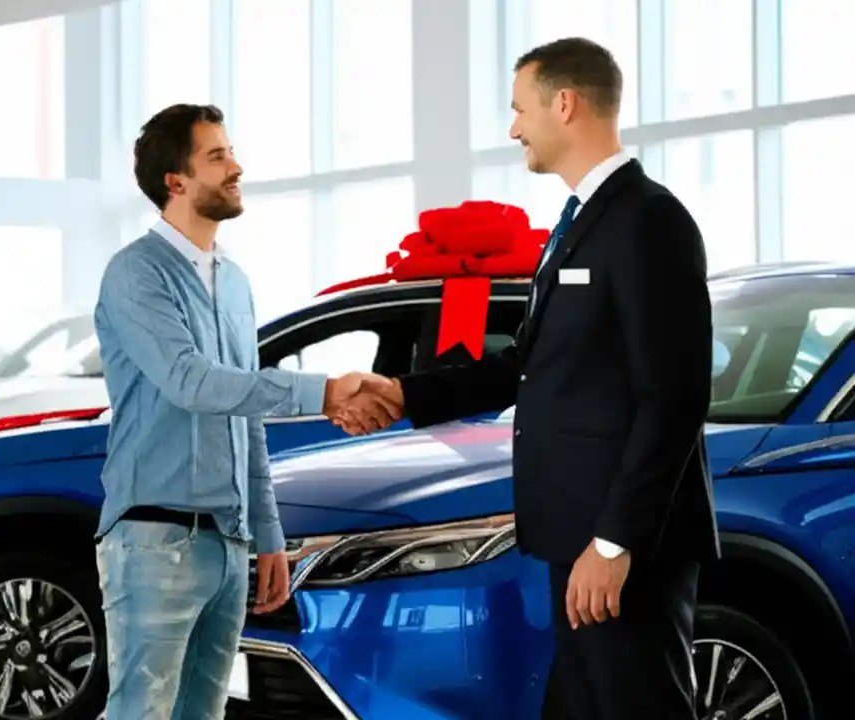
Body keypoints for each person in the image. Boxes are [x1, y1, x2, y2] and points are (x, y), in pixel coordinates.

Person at [337, 38, 718, 719]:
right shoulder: (577, 225)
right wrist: (403, 392)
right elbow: (530, 366)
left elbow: (675, 395)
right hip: (575, 536)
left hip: (618, 546)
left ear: (564, 104)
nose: (513, 128)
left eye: (520, 109)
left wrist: (614, 542)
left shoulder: (647, 220)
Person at [93, 103, 398, 719]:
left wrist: (269, 535)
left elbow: (244, 415)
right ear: (175, 181)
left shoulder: (234, 282)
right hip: (157, 540)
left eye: (229, 152)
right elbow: (190, 381)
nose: (236, 167)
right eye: (217, 156)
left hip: (229, 546)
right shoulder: (135, 274)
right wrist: (326, 392)